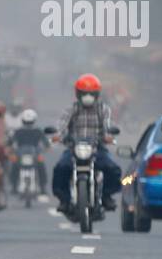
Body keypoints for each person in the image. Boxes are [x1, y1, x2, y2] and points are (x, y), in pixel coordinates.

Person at [51, 73, 122, 213]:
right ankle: (64, 200)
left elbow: (108, 125)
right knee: (60, 168)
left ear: (97, 94)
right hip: (74, 148)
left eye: (91, 93)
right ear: (78, 94)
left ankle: (107, 196)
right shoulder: (72, 109)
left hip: (97, 148)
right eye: (84, 93)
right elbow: (62, 124)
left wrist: (108, 135)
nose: (88, 97)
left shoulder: (103, 109)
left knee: (113, 169)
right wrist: (58, 135)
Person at [11, 108, 49, 193]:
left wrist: (46, 147)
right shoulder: (18, 131)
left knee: (41, 166)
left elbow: (46, 142)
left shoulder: (37, 131)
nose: (28, 124)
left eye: (30, 122)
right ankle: (14, 186)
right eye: (27, 122)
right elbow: (10, 142)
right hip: (21, 154)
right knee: (14, 166)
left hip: (34, 154)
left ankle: (42, 187)